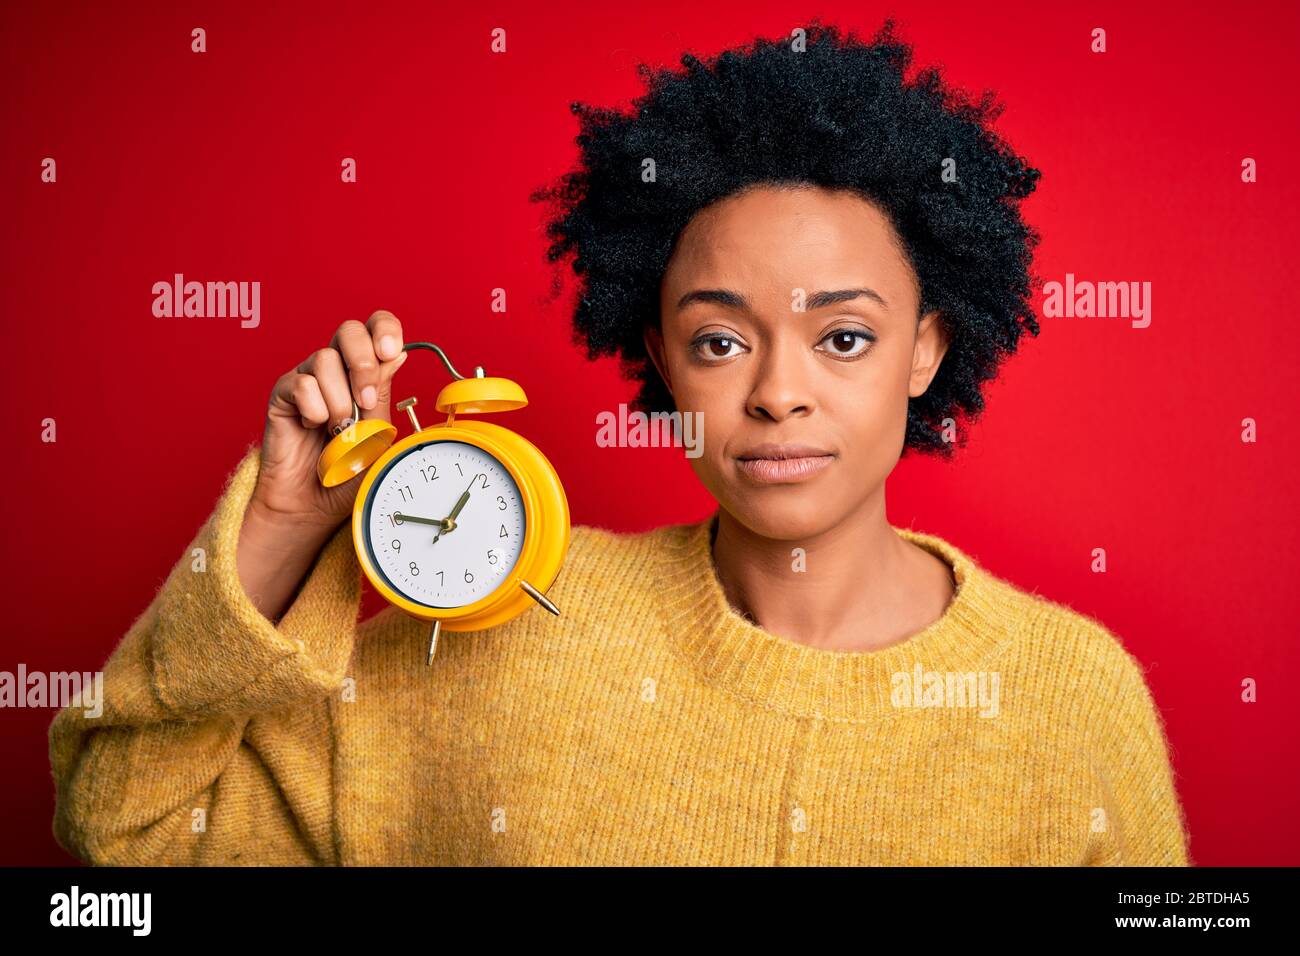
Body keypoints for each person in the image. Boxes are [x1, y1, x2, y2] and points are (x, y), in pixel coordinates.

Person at [49, 19, 1190, 865]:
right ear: (658, 356)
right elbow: (128, 833)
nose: (778, 394)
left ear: (926, 351)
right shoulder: (504, 622)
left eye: (843, 336)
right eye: (719, 340)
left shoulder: (1067, 697)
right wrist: (285, 528)